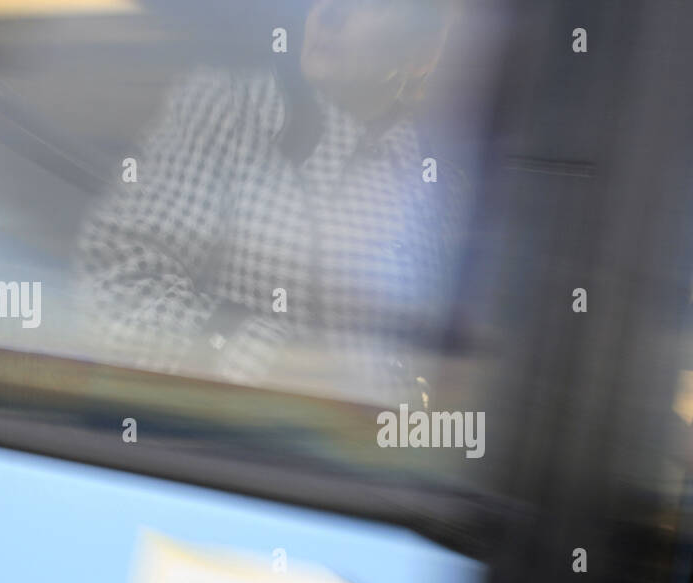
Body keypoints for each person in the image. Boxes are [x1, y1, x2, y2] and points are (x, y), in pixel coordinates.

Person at [76, 0, 469, 407]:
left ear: (423, 54)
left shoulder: (439, 184)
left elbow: (452, 359)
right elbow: (116, 281)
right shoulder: (229, 107)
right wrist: (276, 364)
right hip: (242, 451)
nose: (329, 13)